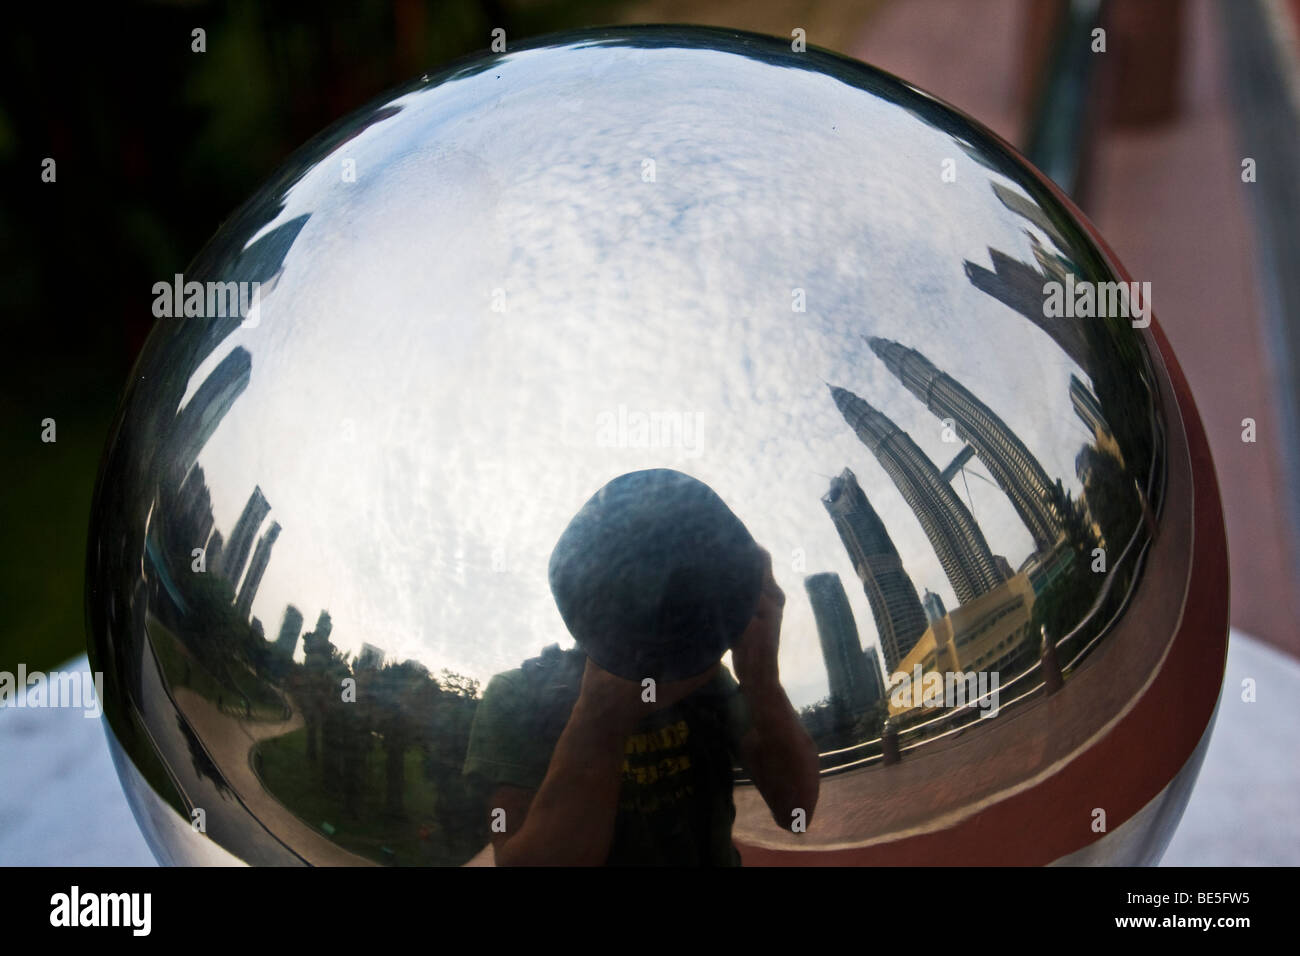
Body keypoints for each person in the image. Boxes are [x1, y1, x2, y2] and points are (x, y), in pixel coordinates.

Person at [462, 469, 820, 866]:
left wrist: (761, 679)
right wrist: (600, 715)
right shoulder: (517, 696)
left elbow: (797, 812)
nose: (654, 602)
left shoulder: (710, 684)